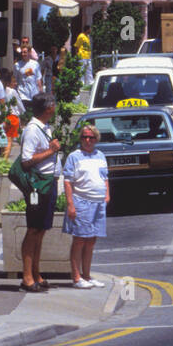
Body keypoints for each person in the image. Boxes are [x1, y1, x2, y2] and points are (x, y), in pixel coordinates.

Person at [18, 93, 60, 291]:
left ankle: (36, 272)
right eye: (53, 105)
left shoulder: (44, 128)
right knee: (33, 229)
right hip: (38, 185)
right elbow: (26, 161)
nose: (55, 108)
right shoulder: (32, 130)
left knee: (41, 231)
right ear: (47, 109)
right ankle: (27, 276)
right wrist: (51, 151)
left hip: (48, 183)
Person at [62, 124, 109, 289]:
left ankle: (87, 276)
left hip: (98, 203)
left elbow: (105, 177)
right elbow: (67, 181)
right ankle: (76, 278)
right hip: (82, 202)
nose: (87, 140)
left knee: (91, 241)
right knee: (79, 240)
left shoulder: (100, 155)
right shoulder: (74, 157)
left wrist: (106, 195)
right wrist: (70, 205)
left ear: (96, 139)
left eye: (91, 137)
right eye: (84, 137)